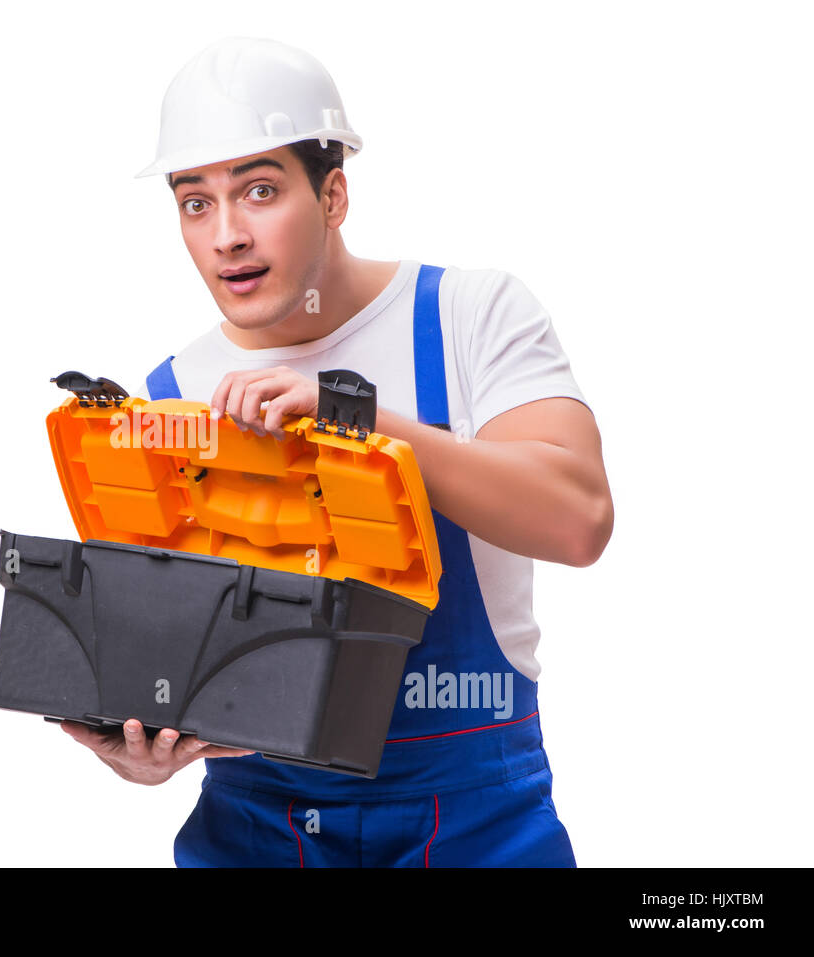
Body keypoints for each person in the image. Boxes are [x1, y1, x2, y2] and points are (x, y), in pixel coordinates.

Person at [59, 36, 614, 867]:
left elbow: (580, 521)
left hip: (471, 816)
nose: (228, 236)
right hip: (254, 822)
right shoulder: (172, 390)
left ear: (334, 194)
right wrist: (148, 736)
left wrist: (361, 423)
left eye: (259, 190)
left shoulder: (466, 316)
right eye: (195, 202)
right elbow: (180, 651)